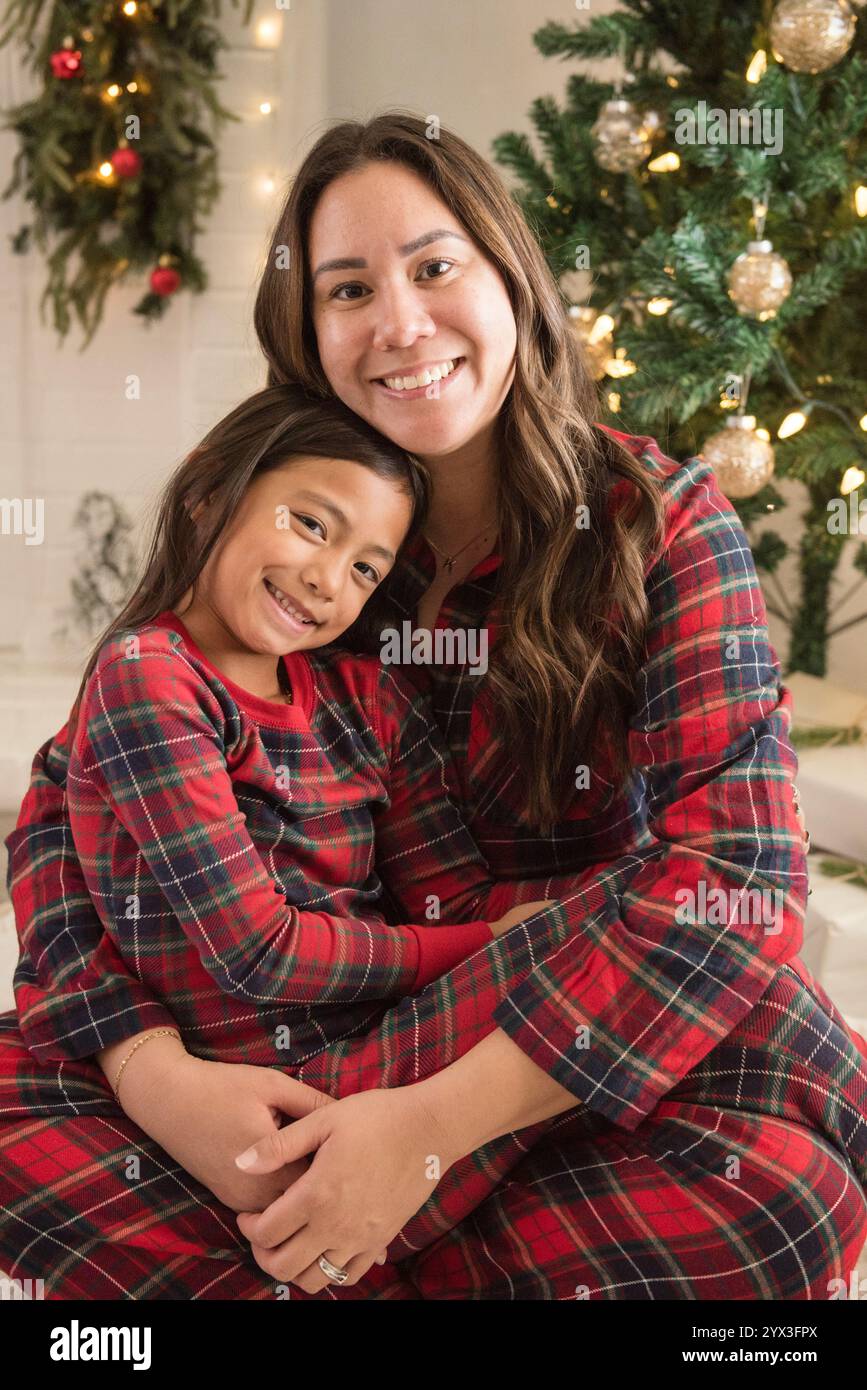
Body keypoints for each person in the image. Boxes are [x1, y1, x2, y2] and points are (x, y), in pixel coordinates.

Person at [2, 112, 866, 1300]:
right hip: (290, 1042)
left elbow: (741, 883)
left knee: (785, 1188)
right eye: (349, 288)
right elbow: (60, 801)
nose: (401, 325)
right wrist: (155, 1076)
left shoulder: (658, 520)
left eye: (435, 266)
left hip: (556, 1045)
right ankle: (343, 1231)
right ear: (306, 333)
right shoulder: (297, 538)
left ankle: (306, 1247)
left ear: (511, 275)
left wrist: (421, 1131)